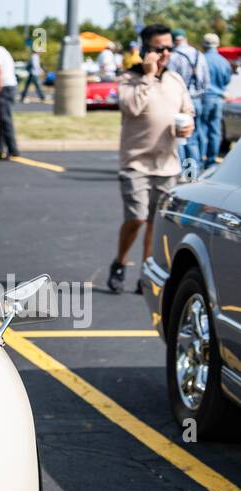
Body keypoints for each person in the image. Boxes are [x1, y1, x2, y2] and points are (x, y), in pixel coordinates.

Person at [108, 24, 194, 294]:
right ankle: (120, 262)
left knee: (155, 222)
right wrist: (147, 76)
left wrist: (188, 125)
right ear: (145, 49)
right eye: (160, 48)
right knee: (137, 217)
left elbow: (188, 111)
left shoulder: (175, 80)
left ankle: (146, 272)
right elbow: (132, 108)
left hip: (168, 164)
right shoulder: (128, 79)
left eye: (169, 48)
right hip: (136, 163)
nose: (166, 53)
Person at [167, 29, 207, 173]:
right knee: (194, 137)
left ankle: (183, 171)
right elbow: (206, 81)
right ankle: (194, 172)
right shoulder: (199, 55)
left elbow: (169, 80)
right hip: (197, 99)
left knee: (180, 138)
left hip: (180, 100)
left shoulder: (173, 56)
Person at [200, 33, 232, 167]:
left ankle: (199, 160)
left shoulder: (201, 59)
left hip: (203, 98)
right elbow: (226, 80)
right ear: (217, 44)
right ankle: (211, 161)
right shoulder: (223, 61)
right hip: (218, 99)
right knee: (215, 131)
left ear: (204, 44)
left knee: (201, 130)